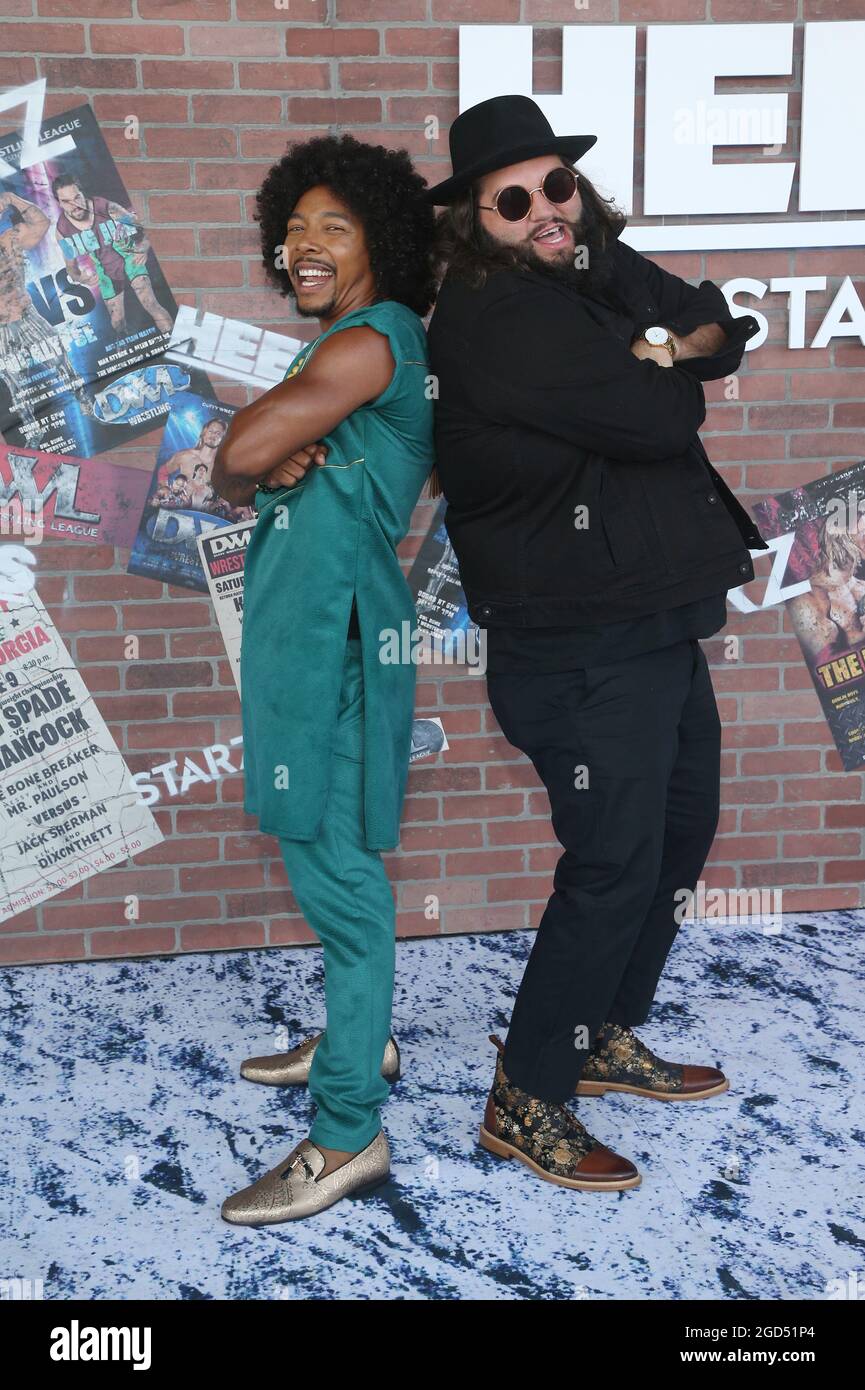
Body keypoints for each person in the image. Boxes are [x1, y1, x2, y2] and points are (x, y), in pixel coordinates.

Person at [424, 95, 771, 1193]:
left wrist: (654, 339)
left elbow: (718, 328)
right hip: (577, 648)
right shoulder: (497, 318)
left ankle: (601, 1033)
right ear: (473, 221)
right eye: (511, 199)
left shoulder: (592, 265)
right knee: (615, 864)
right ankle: (527, 1094)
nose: (542, 210)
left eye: (555, 187)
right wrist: (661, 356)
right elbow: (667, 418)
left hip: (654, 621)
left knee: (678, 833)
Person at [213, 134, 437, 1224]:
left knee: (338, 879)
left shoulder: (375, 340)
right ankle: (365, 1036)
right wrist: (245, 450)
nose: (302, 243)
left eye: (331, 227)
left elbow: (241, 456)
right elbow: (233, 466)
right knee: (328, 863)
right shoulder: (341, 349)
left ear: (380, 244)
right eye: (293, 227)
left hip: (338, 648)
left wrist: (249, 445)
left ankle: (347, 1128)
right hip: (309, 641)